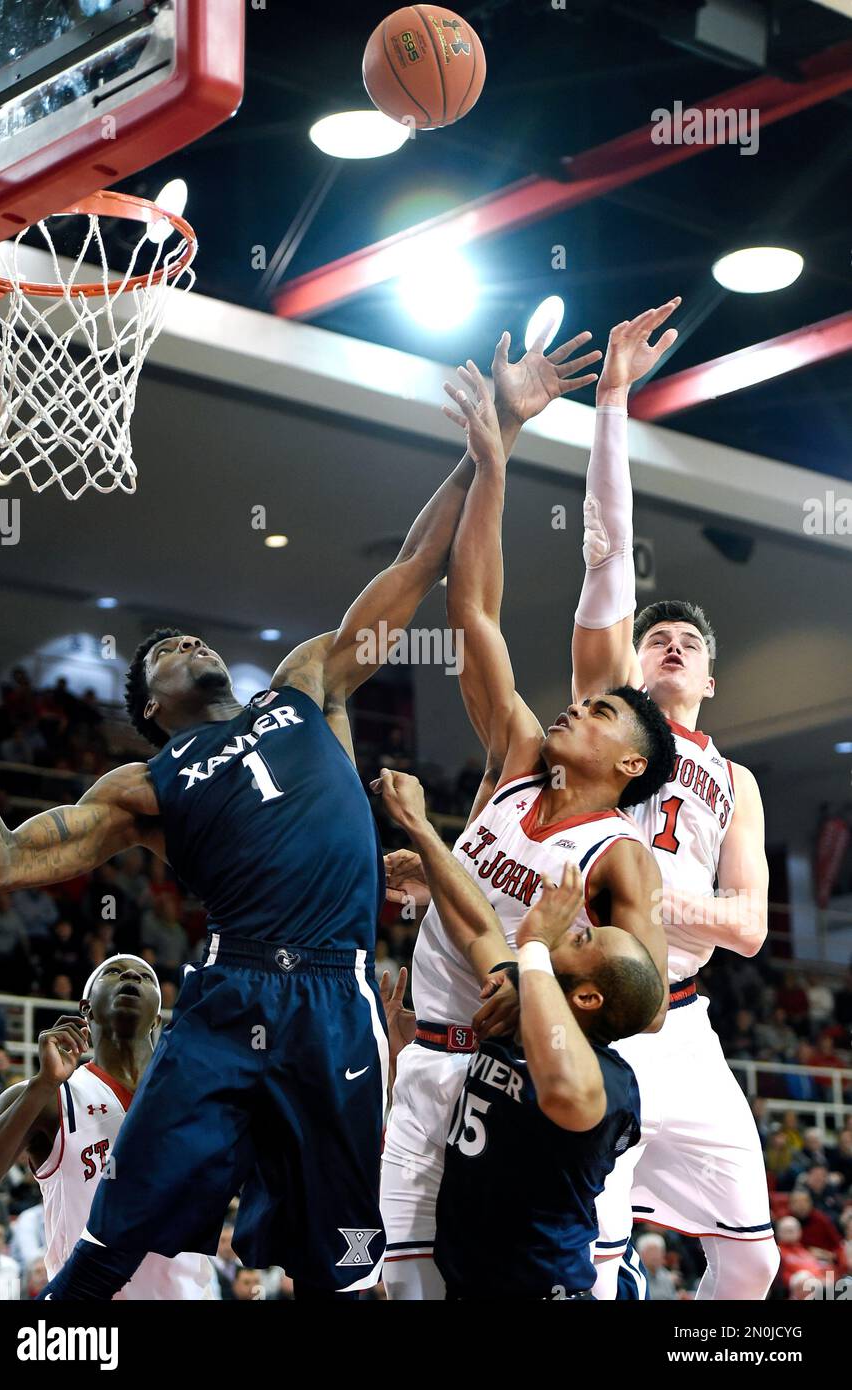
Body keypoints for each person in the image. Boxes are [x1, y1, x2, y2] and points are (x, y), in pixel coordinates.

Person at [0, 355, 552, 1300]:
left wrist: (498, 437)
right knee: (118, 1231)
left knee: (341, 1264)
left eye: (189, 638)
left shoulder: (305, 686)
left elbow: (414, 565)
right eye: (161, 652)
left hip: (335, 993)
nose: (185, 644)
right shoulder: (146, 781)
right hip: (226, 993)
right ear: (151, 707)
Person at [380, 346, 674, 1299]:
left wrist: (530, 975)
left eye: (597, 713)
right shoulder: (515, 765)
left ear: (629, 765)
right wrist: (497, 461)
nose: (571, 711)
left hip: (503, 1094)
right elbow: (473, 610)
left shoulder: (620, 855)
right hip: (417, 1053)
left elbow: (641, 998)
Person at [569, 302, 779, 1300]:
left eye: (690, 642)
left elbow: (747, 928)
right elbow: (607, 546)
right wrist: (612, 402)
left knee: (754, 1258)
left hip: (687, 1021)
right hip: (600, 1003)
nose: (672, 644)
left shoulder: (735, 781)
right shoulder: (612, 715)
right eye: (658, 636)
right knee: (596, 1259)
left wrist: (666, 901)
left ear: (709, 679)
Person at [374, 768, 661, 1300]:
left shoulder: (602, 1083)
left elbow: (557, 1086)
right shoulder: (516, 1020)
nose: (574, 928)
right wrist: (409, 1051)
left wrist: (533, 945)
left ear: (588, 998)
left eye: (586, 939)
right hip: (470, 1277)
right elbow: (480, 927)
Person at [0, 954, 213, 1298]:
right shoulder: (49, 1097)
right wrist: (41, 1085)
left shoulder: (194, 1099)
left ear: (157, 1018)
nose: (130, 974)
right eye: (113, 972)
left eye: (145, 976)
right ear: (87, 1008)